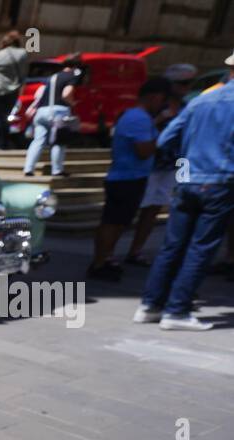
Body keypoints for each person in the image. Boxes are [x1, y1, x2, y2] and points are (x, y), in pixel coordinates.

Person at [135, 54, 234, 331]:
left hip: (187, 179)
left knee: (172, 245)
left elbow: (166, 140)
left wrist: (186, 164)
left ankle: (150, 305)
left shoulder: (200, 99)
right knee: (201, 248)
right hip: (220, 181)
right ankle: (177, 310)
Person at [87, 78, 172, 280]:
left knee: (118, 222)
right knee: (112, 222)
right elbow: (144, 150)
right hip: (126, 178)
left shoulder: (139, 117)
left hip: (131, 177)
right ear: (155, 97)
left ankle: (105, 259)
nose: (163, 105)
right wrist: (162, 137)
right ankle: (99, 263)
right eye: (163, 100)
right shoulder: (139, 119)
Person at [124, 63, 198, 266]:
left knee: (155, 208)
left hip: (172, 164)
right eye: (182, 83)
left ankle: (136, 250)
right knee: (135, 207)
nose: (186, 88)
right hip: (149, 163)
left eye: (189, 83)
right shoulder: (156, 106)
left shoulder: (186, 107)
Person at [23, 55, 80, 177]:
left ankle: (29, 168)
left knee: (38, 141)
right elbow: (66, 94)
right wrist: (72, 102)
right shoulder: (72, 76)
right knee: (59, 141)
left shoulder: (52, 77)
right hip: (59, 111)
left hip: (42, 111)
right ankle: (57, 170)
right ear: (74, 67)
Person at [0, 31, 29, 151]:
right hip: (11, 89)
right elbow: (23, 74)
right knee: (5, 117)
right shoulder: (22, 54)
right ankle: (2, 144)